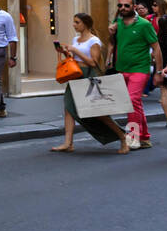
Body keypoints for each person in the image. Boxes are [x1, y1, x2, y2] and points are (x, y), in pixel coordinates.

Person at [51, 13, 128, 153]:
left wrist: (75, 50)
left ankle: (123, 137)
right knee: (68, 108)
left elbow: (93, 62)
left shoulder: (94, 41)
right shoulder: (76, 39)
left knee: (99, 112)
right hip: (75, 75)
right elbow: (73, 58)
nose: (74, 25)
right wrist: (64, 52)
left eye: (77, 22)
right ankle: (68, 143)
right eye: (74, 22)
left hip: (88, 76)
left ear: (85, 24)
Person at [111, 0, 163, 149]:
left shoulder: (144, 24)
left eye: (126, 6)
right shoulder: (118, 23)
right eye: (120, 5)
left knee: (132, 101)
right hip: (122, 69)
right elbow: (116, 44)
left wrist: (158, 72)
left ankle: (133, 138)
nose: (122, 8)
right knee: (136, 103)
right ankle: (145, 137)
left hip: (140, 68)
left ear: (134, 7)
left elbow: (156, 48)